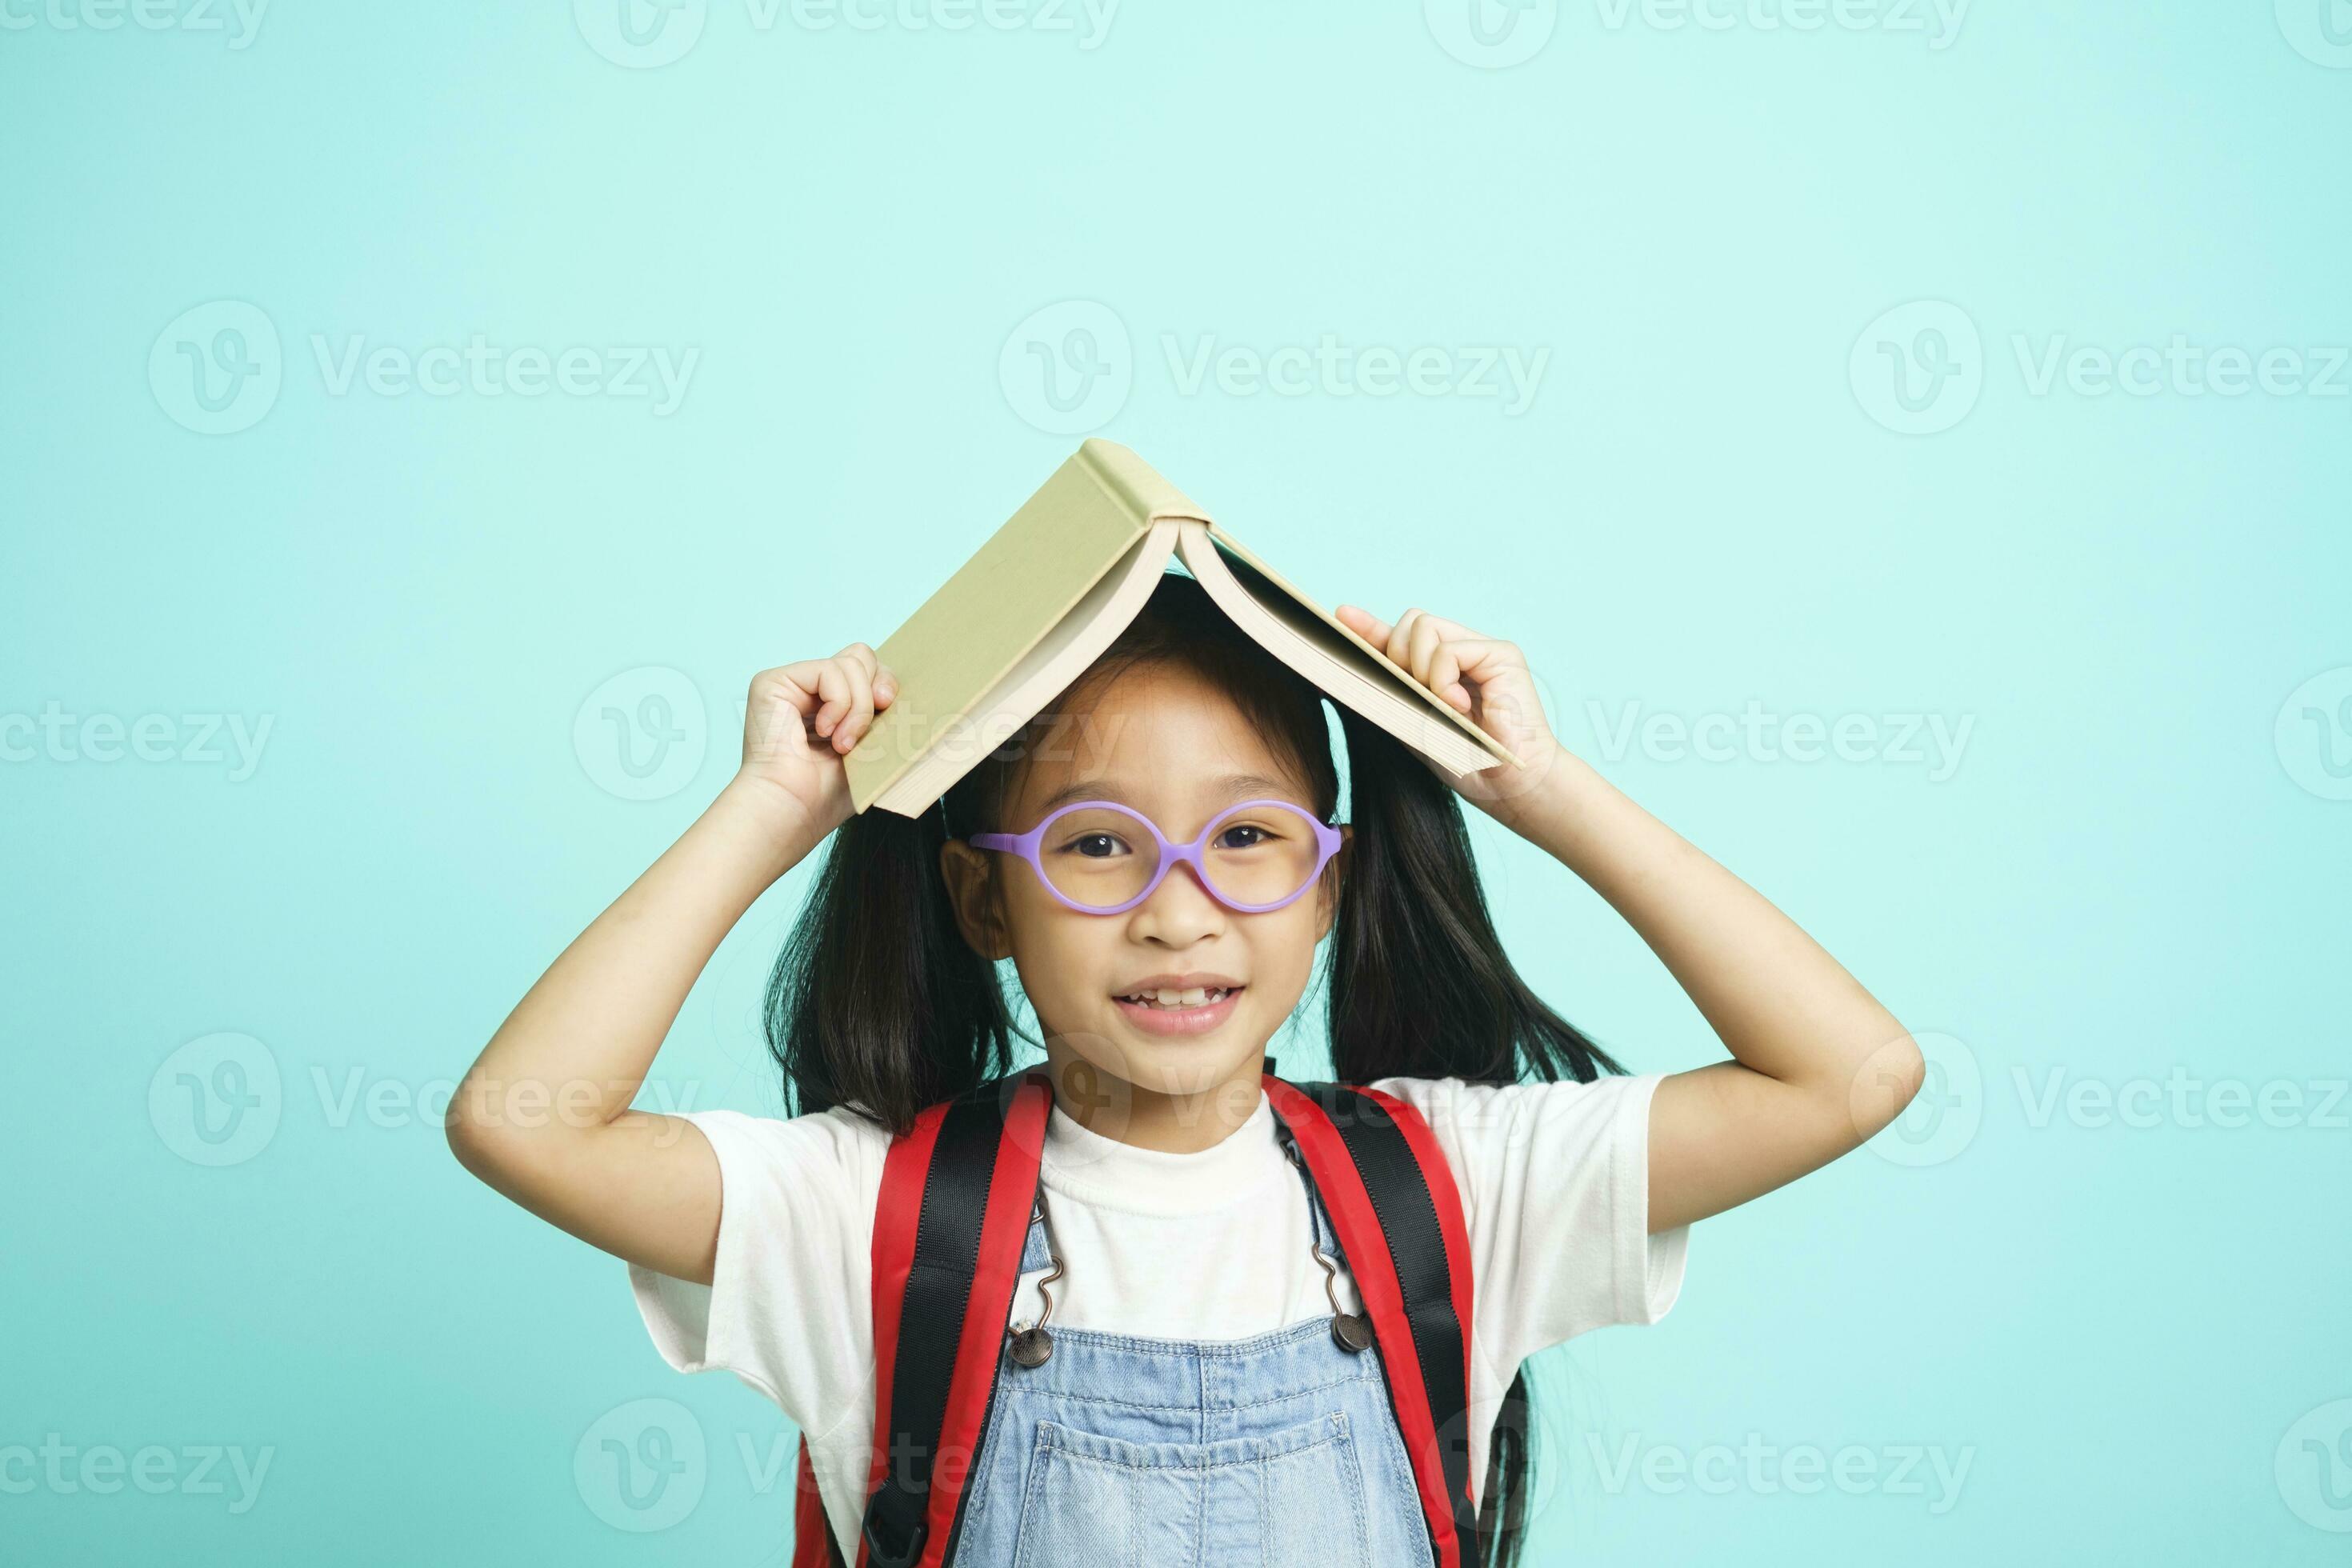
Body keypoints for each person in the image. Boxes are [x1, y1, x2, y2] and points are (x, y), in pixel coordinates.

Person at [447, 570, 1923, 1566]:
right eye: (1096, 843)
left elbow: (1848, 1074)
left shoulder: (1456, 1186)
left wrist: (1537, 786)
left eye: (1247, 837)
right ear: (984, 903)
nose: (1177, 908)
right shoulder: (870, 1214)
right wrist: (784, 804)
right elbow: (525, 1126)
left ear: (1329, 882)